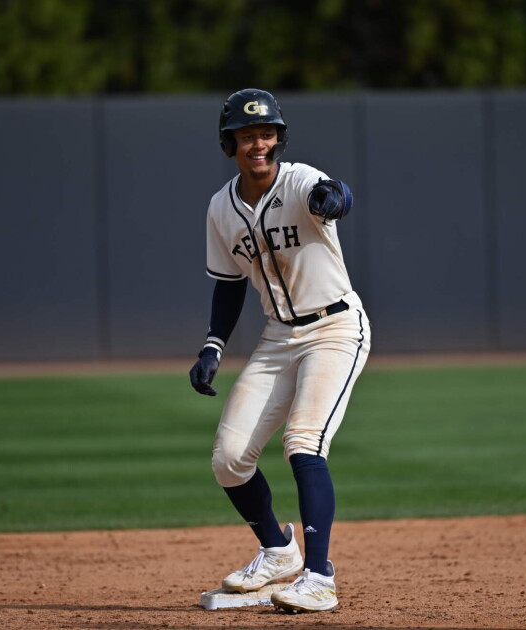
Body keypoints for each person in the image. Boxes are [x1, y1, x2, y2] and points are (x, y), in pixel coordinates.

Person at [188, 88, 371, 613]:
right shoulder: (220, 209)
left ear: (278, 138)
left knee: (303, 443)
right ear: (231, 144)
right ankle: (278, 550)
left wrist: (332, 200)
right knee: (228, 459)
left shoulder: (299, 180)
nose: (258, 144)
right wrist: (212, 346)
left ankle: (319, 576)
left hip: (335, 328)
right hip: (277, 336)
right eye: (247, 136)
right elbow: (228, 283)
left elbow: (336, 195)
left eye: (266, 133)